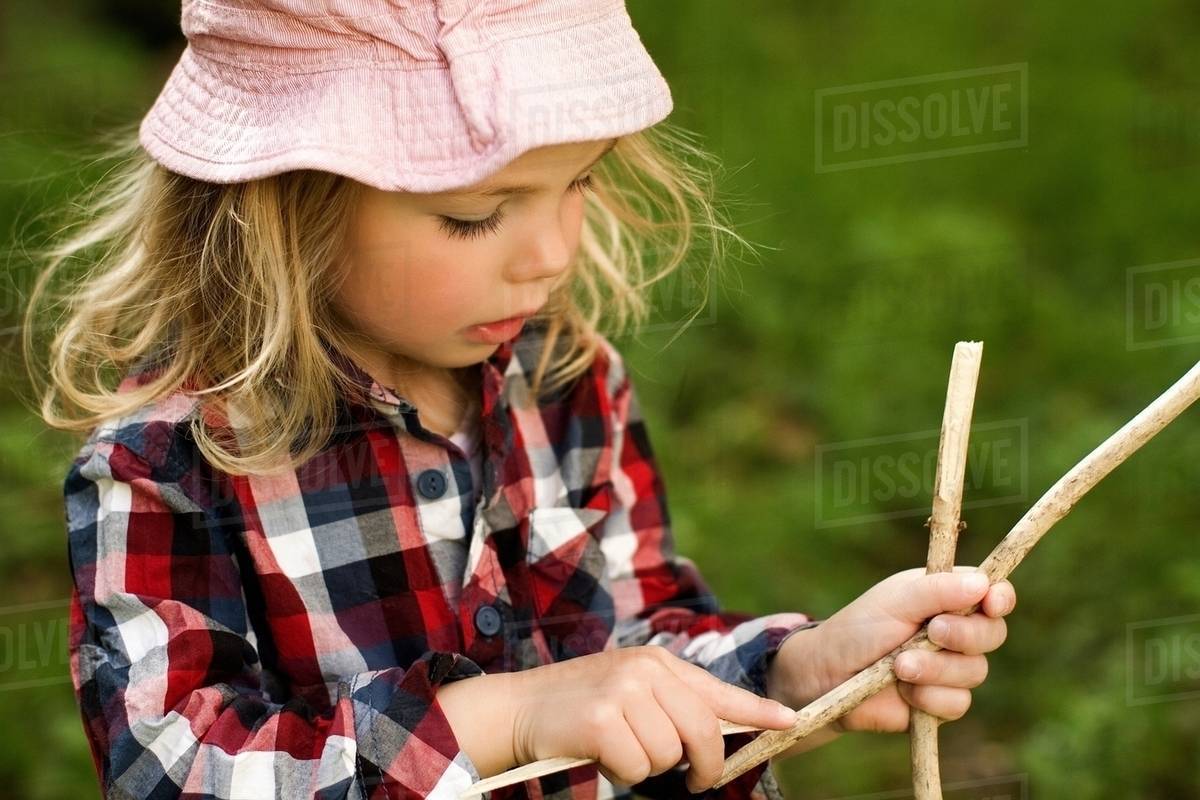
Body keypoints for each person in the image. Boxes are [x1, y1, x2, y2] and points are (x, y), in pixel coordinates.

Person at [30, 1, 1017, 798]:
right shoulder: (172, 455)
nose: (551, 257)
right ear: (278, 209)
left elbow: (642, 646)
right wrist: (505, 718)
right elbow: (169, 765)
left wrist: (801, 669)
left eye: (579, 183)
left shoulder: (568, 380)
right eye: (474, 216)